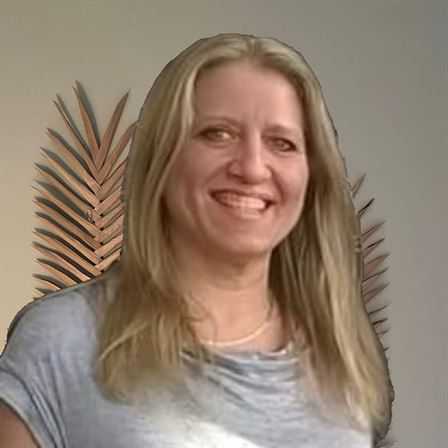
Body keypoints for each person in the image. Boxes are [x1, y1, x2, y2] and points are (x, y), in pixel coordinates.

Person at [0, 33, 394, 447]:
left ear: (312, 176)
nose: (252, 168)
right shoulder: (66, 340)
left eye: (282, 143)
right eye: (218, 134)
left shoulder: (342, 355)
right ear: (162, 158)